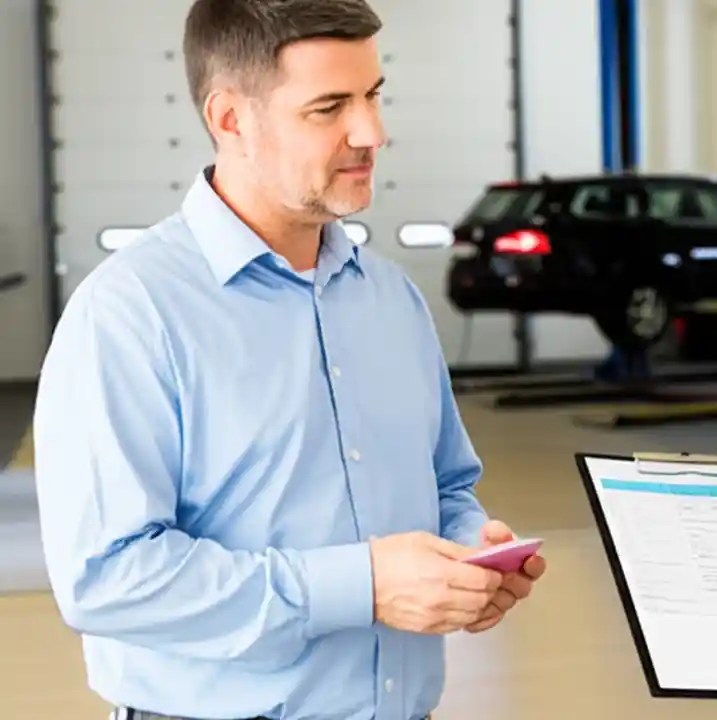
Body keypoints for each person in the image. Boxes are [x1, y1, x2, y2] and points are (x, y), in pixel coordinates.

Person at [31, 2, 545, 718]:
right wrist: (363, 586)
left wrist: (470, 559)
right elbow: (107, 577)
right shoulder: (130, 314)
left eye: (372, 95)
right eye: (329, 107)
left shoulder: (391, 300)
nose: (372, 132)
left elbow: (447, 486)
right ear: (230, 119)